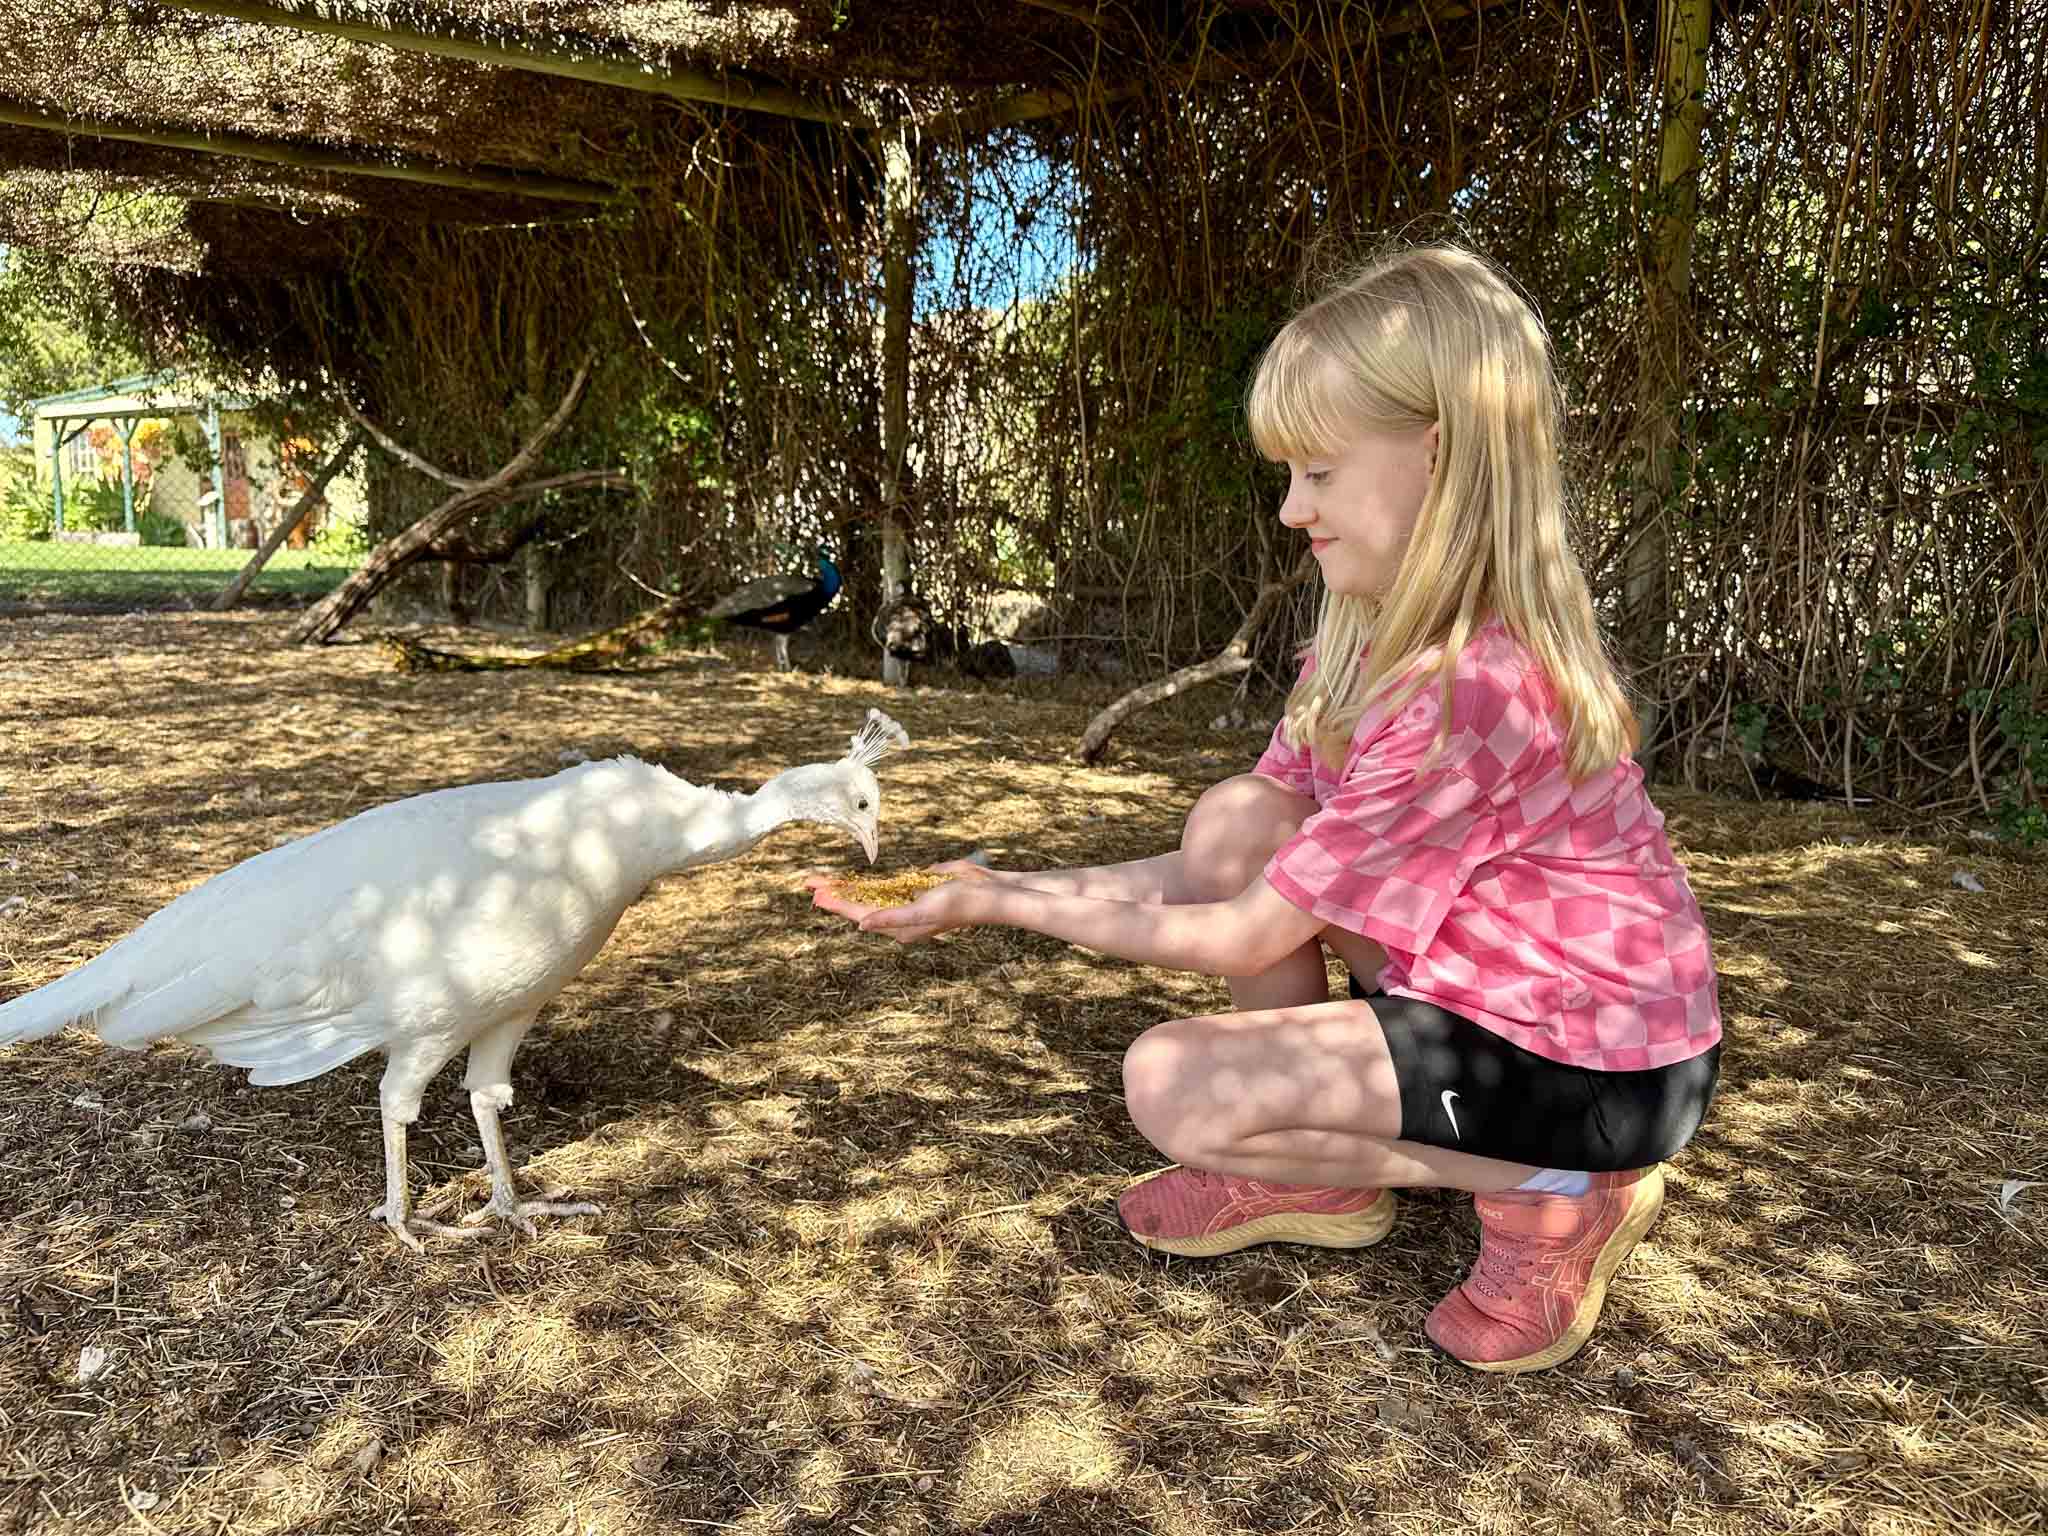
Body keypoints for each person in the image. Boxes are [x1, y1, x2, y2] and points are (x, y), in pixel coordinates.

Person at [808, 242, 1722, 1375]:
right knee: (1241, 817)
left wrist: (999, 908)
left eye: (1319, 474)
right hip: (1482, 1001)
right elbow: (1233, 873)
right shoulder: (1362, 645)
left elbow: (1245, 933)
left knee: (1172, 1086)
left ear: (1435, 457)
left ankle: (1563, 1191)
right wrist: (991, 884)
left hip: (1601, 1076)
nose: (1291, 509)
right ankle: (1323, 1171)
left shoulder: (1471, 692)